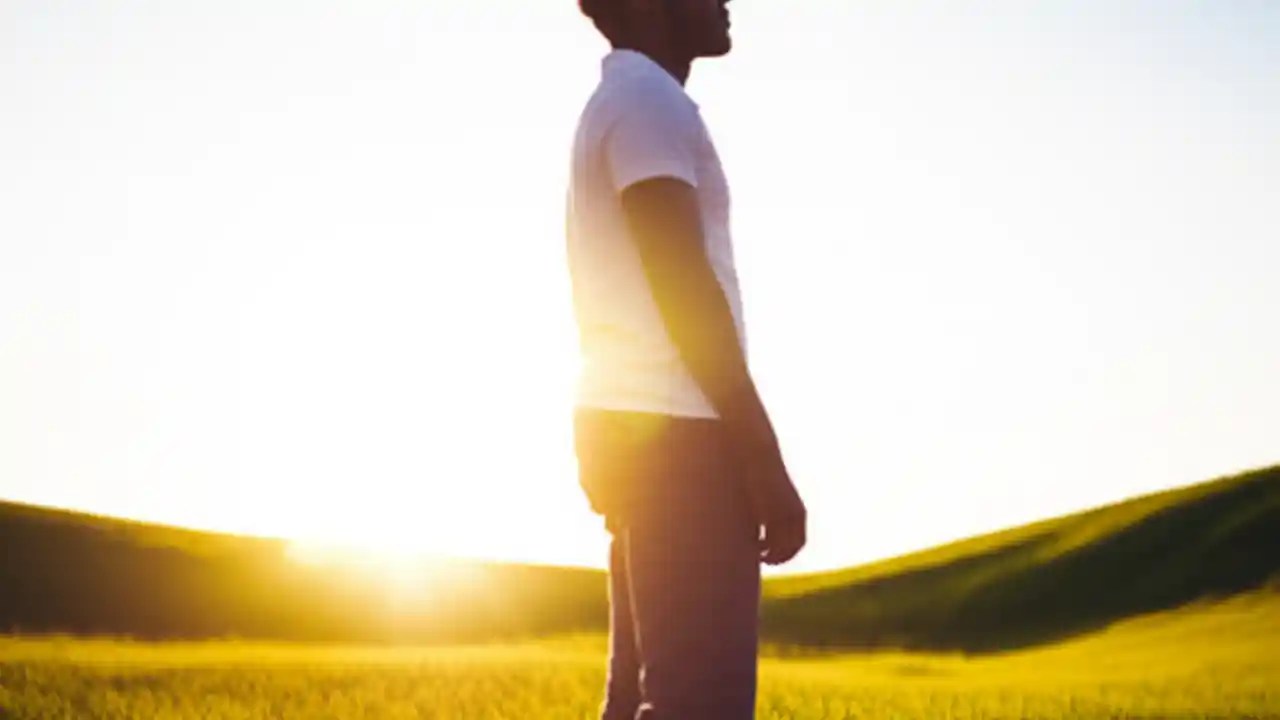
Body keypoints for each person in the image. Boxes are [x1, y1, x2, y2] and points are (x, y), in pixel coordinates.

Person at [566, 0, 807, 718]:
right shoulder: (647, 103)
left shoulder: (623, 99)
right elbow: (681, 284)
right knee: (698, 705)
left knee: (642, 699)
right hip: (683, 441)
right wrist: (760, 458)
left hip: (646, 428)